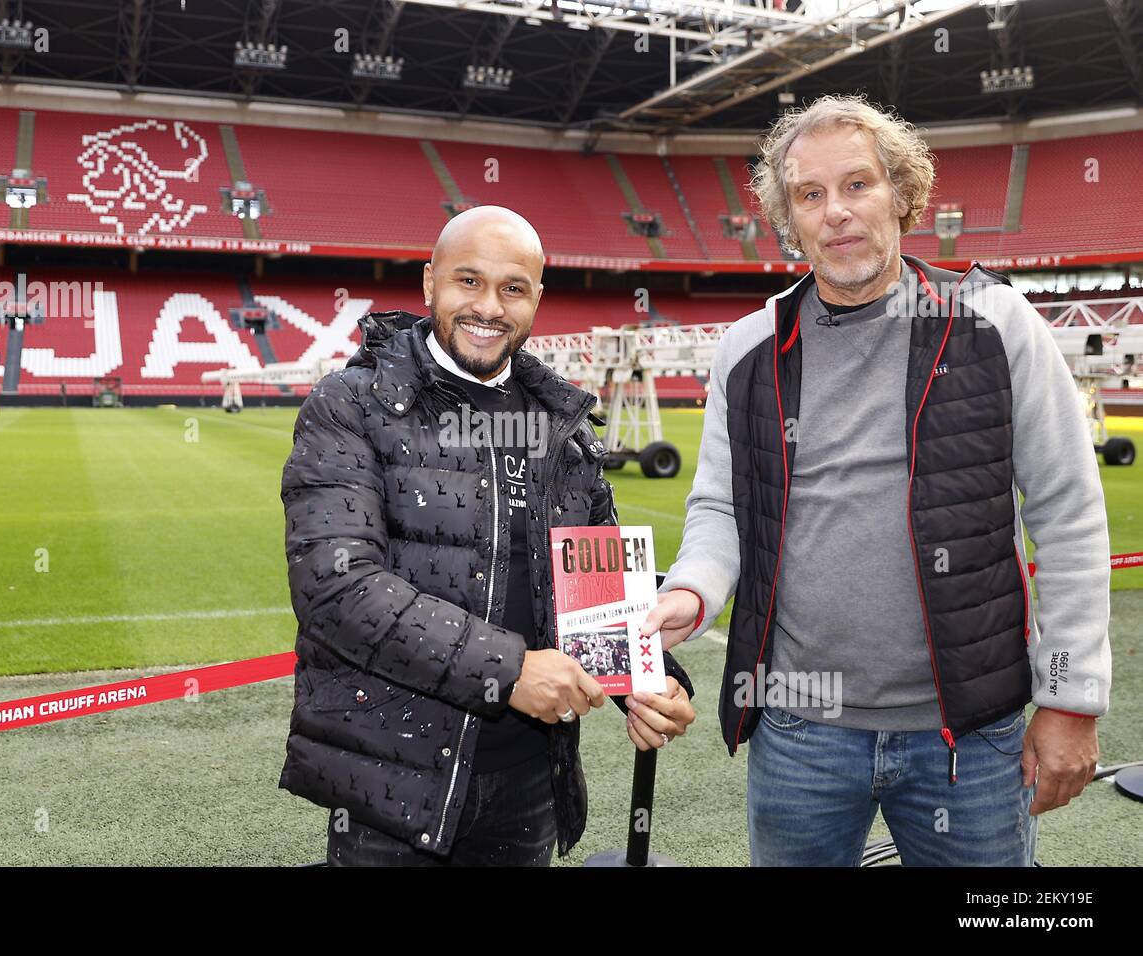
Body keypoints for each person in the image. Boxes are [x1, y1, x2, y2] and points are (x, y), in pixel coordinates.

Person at [642, 95, 1111, 866]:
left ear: (902, 192)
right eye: (810, 194)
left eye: (858, 185)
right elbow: (722, 505)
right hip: (799, 729)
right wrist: (693, 588)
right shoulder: (748, 348)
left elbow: (1066, 512)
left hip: (966, 733)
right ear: (789, 220)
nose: (837, 213)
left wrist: (1070, 698)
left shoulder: (994, 322)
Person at [280, 205, 696, 866]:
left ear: (536, 298)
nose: (488, 307)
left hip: (528, 782)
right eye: (467, 281)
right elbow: (337, 586)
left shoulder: (564, 425)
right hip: (392, 780)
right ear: (428, 284)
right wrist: (512, 671)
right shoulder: (349, 405)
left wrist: (649, 682)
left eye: (512, 288)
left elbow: (598, 586)